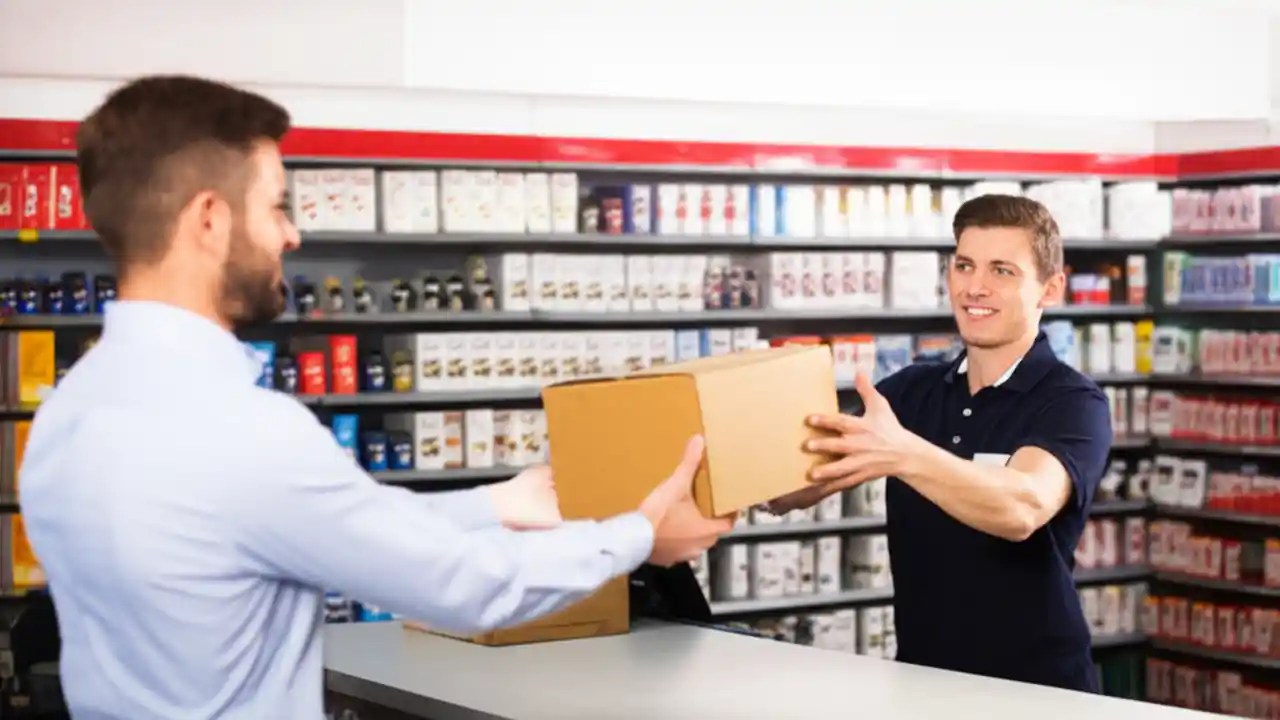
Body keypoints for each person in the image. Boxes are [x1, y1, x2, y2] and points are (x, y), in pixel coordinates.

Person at [17, 75, 734, 720]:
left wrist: (492, 505)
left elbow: (295, 522)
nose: (292, 234)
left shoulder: (69, 413)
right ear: (209, 220)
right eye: (275, 207)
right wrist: (637, 534)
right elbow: (468, 588)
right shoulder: (246, 433)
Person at [775, 194, 1112, 692]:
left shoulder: (1073, 402)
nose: (976, 287)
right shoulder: (911, 391)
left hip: (1038, 692)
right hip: (922, 680)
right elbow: (791, 489)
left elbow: (1021, 508)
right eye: (964, 265)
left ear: (1050, 288)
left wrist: (904, 454)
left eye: (1002, 271)